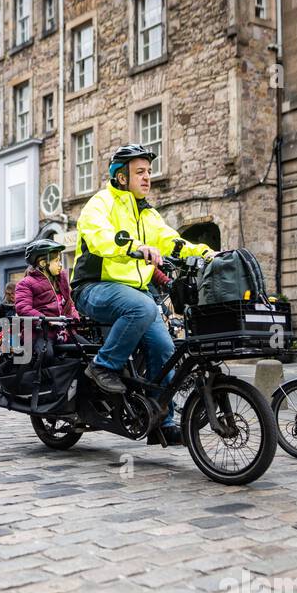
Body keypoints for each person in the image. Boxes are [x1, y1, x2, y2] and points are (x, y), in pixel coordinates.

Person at [70, 143, 214, 446]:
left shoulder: (148, 214)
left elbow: (172, 242)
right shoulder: (100, 204)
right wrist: (133, 247)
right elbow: (100, 238)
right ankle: (102, 366)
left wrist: (207, 253)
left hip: (135, 296)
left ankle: (163, 423)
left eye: (149, 171)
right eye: (140, 172)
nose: (148, 177)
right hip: (93, 288)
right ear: (122, 177)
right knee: (142, 307)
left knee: (165, 352)